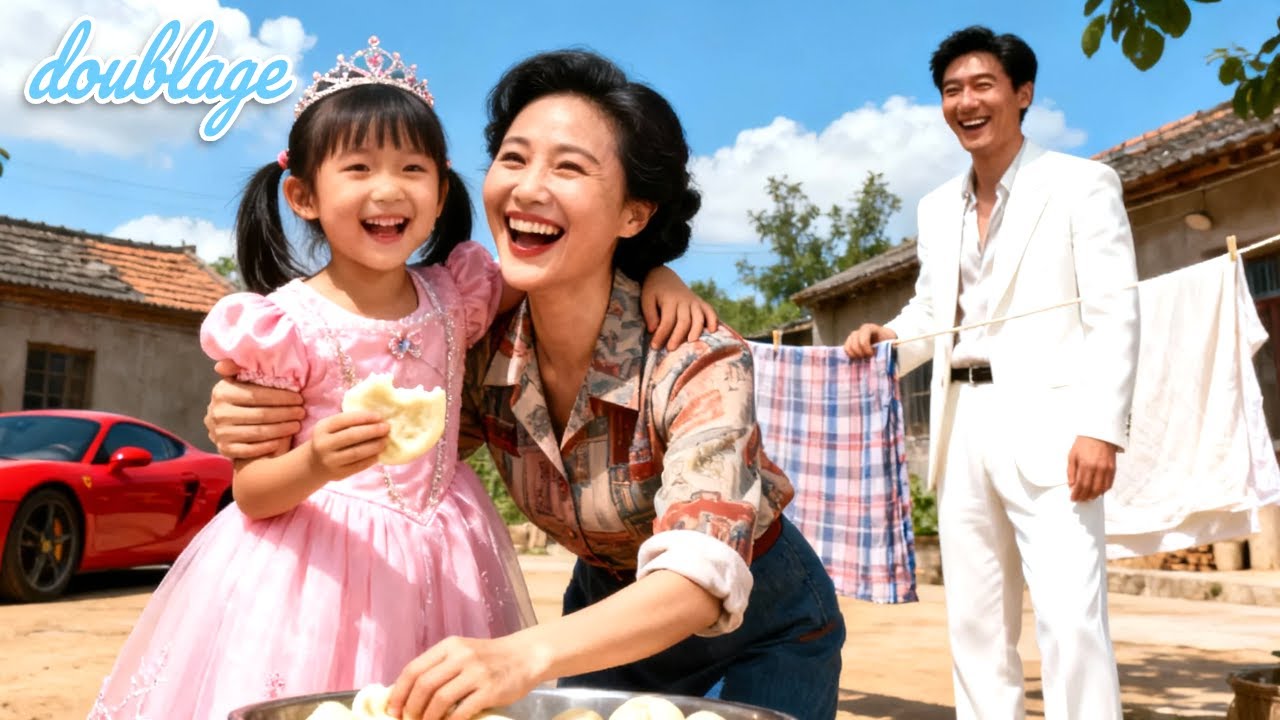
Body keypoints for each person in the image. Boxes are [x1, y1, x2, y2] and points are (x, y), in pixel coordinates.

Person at [206, 50, 845, 720]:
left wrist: (520, 655)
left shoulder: (696, 360)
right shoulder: (473, 346)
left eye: (569, 167)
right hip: (599, 630)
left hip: (759, 631)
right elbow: (370, 433)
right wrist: (249, 414)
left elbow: (700, 577)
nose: (528, 188)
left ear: (634, 213)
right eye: (514, 159)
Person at [91, 37, 702, 720]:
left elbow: (573, 259)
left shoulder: (461, 294)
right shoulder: (278, 328)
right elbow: (253, 494)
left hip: (446, 559)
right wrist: (316, 461)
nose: (387, 190)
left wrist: (657, 270)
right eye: (357, 167)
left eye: (413, 168)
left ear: (441, 194)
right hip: (313, 574)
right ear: (302, 194)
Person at [843, 26, 1139, 720]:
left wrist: (1103, 428)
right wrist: (892, 337)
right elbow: (932, 309)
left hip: (1057, 428)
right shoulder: (936, 207)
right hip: (959, 425)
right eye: (952, 90)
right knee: (974, 626)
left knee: (1070, 620)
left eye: (983, 86)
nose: (966, 102)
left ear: (1022, 94)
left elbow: (1114, 315)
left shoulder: (1082, 184)